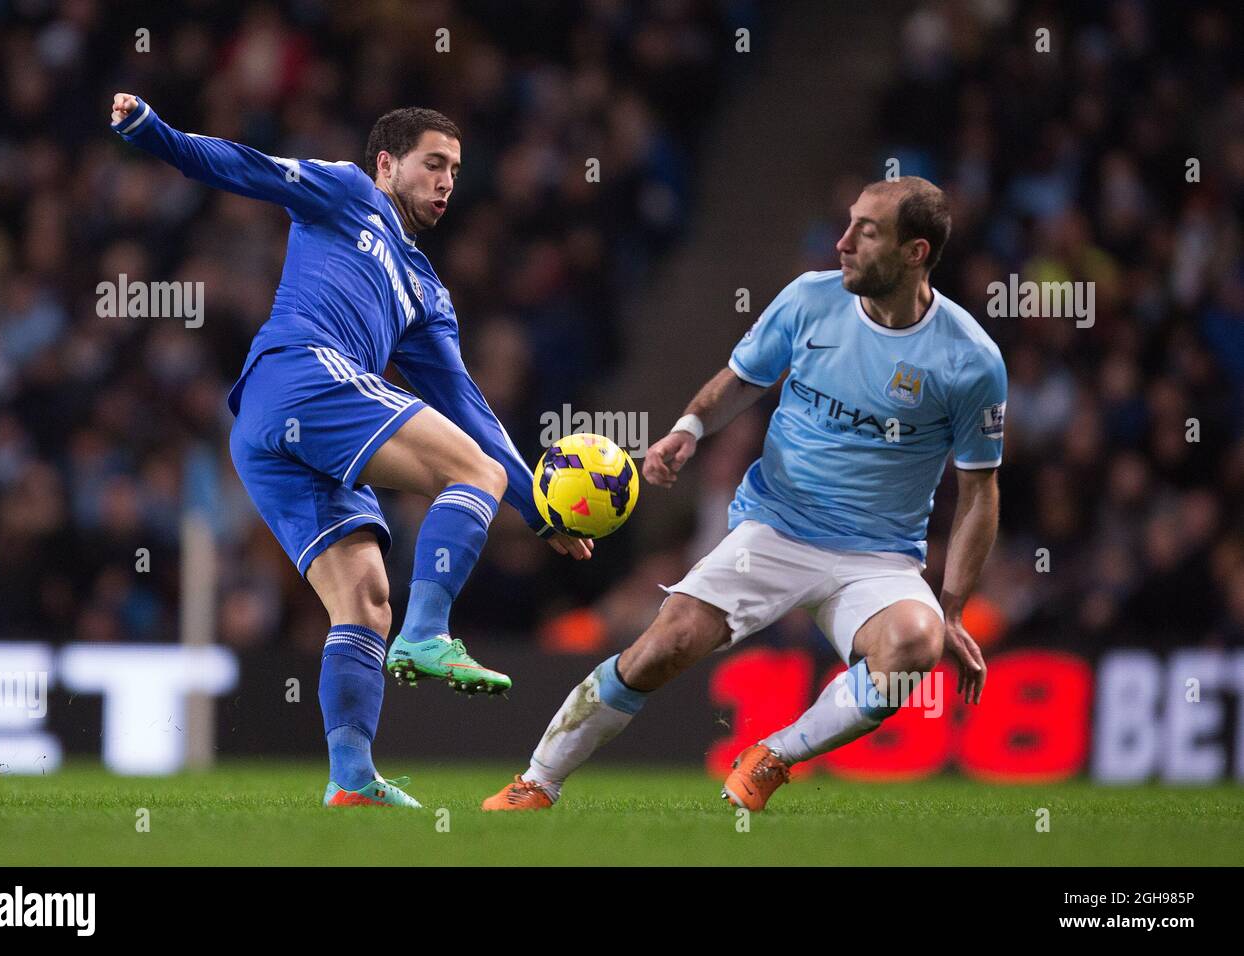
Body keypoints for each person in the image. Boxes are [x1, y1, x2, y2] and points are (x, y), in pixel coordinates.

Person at [109, 93, 592, 809]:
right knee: (472, 475)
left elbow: (468, 407)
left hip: (273, 436)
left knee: (365, 604)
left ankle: (351, 780)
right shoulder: (346, 191)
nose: (446, 182)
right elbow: (248, 168)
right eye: (433, 164)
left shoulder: (427, 292)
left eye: (455, 169)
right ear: (388, 164)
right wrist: (156, 134)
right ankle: (431, 635)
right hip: (300, 371)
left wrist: (540, 509)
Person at [483, 177, 1003, 812]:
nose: (842, 242)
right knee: (664, 646)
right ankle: (536, 781)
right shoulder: (811, 301)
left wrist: (950, 609)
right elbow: (742, 379)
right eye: (848, 223)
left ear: (915, 252)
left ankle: (773, 756)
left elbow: (979, 491)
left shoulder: (970, 359)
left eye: (866, 232)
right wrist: (689, 429)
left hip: (880, 558)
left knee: (915, 645)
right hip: (776, 529)